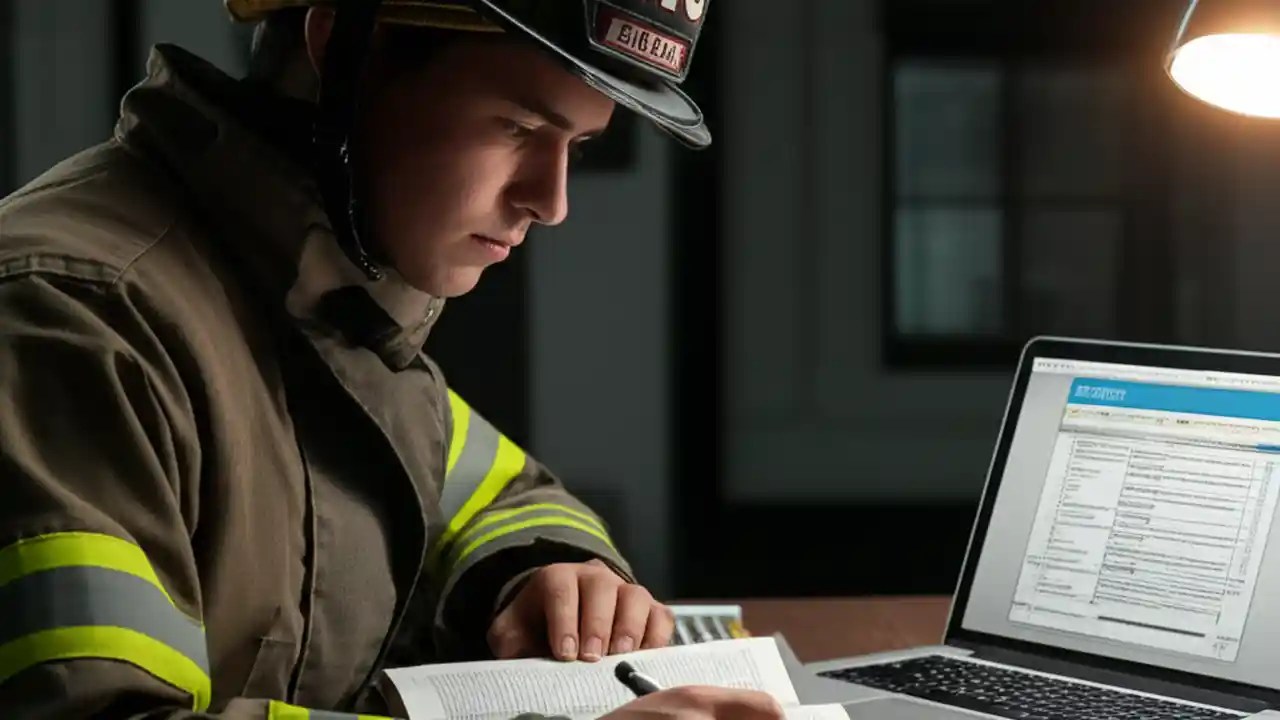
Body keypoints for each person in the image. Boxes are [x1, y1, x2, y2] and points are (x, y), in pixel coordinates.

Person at [0, 0, 783, 718]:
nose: (552, 200)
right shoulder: (73, 320)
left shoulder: (327, 306)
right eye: (516, 128)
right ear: (342, 44)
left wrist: (545, 569)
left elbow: (497, 492)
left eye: (577, 145)